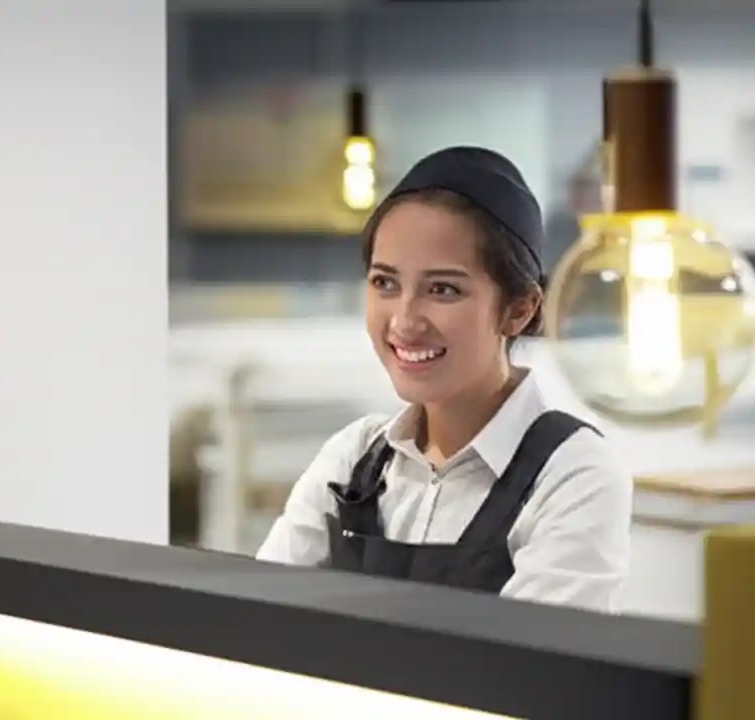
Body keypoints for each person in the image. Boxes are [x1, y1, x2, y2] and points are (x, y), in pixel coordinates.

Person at [256, 146, 633, 614]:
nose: (405, 321)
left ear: (520, 309)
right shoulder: (352, 458)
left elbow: (531, 671)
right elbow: (262, 617)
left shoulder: (572, 476)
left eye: (443, 289)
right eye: (385, 283)